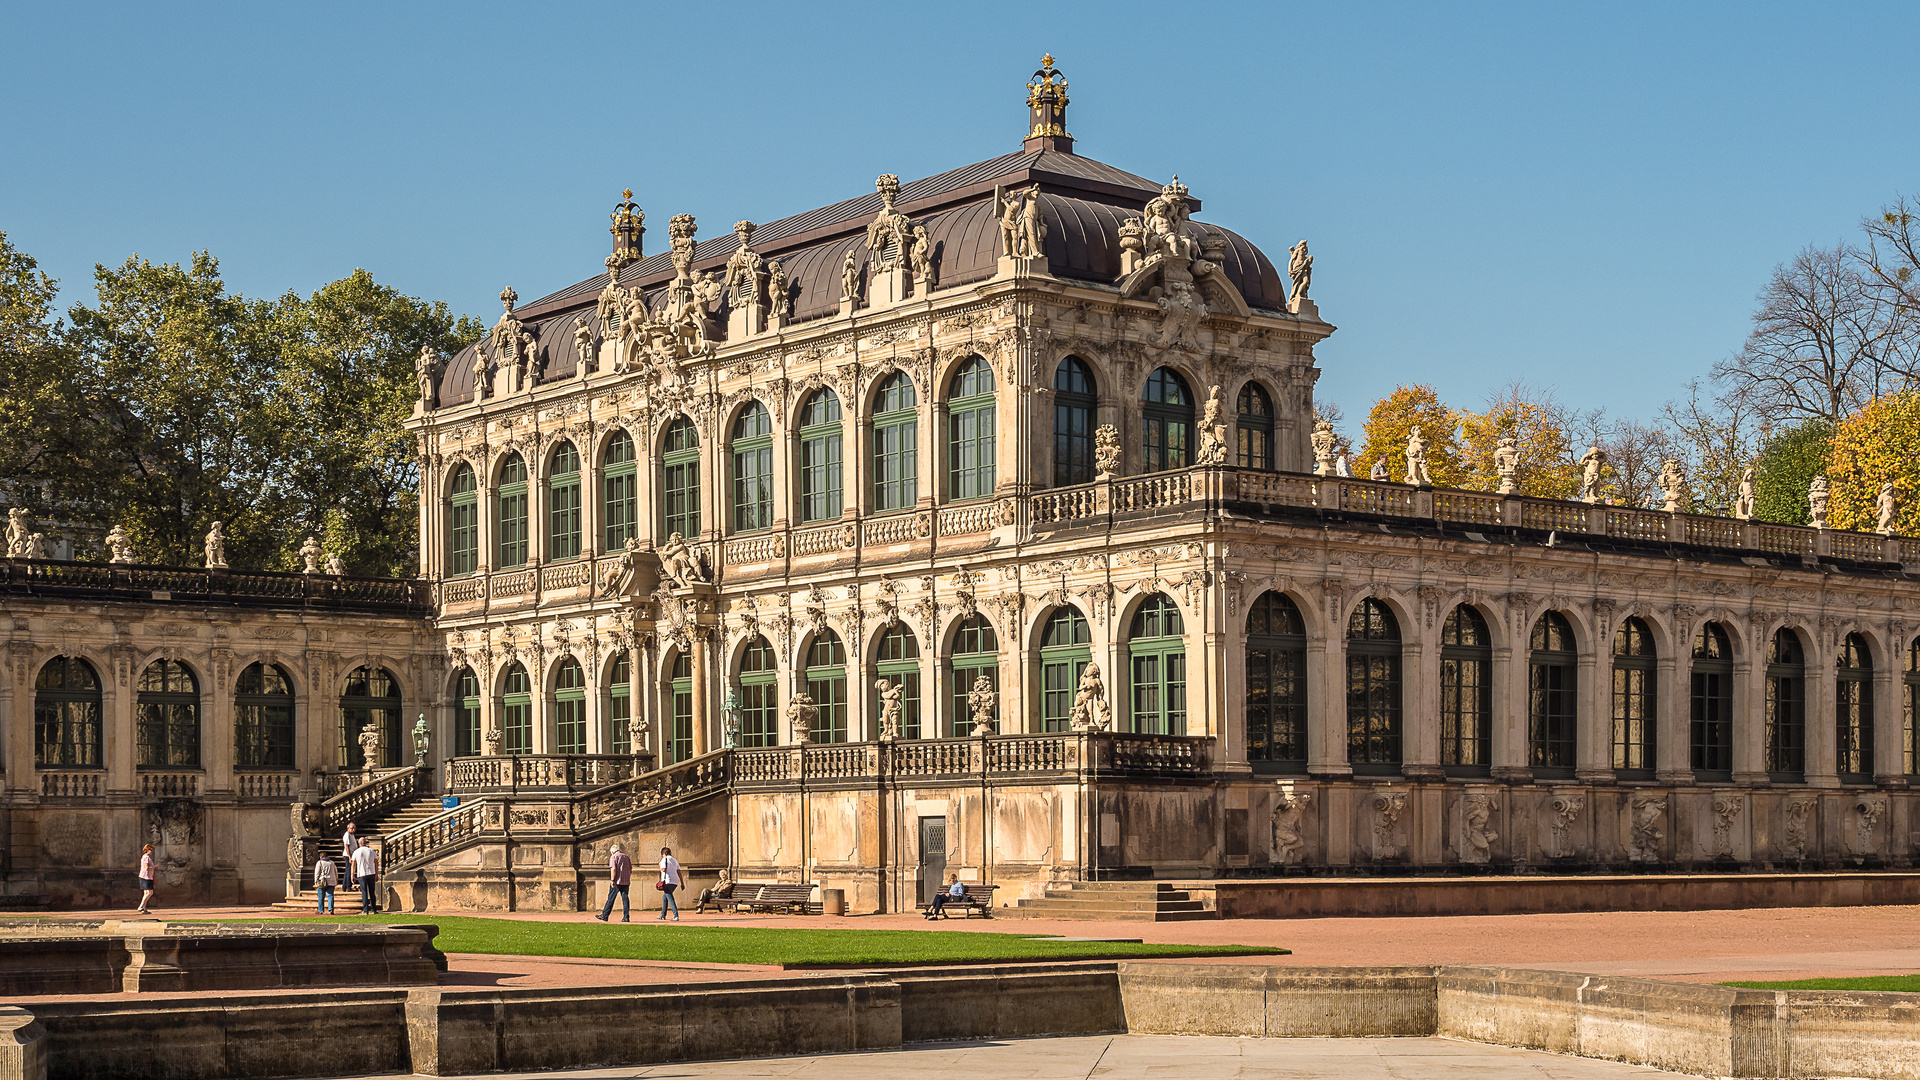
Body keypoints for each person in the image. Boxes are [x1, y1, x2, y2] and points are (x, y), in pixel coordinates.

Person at [596, 844, 632, 922]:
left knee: (611, 898)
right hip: (626, 881)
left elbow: (613, 869)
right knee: (625, 899)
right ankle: (626, 916)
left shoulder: (613, 857)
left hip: (617, 881)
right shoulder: (626, 857)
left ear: (612, 851)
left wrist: (613, 880)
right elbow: (630, 869)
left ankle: (605, 915)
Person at [351, 840, 380, 914]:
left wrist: (352, 875)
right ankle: (373, 909)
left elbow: (353, 865)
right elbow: (376, 862)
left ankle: (365, 910)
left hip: (361, 874)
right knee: (372, 892)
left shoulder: (356, 852)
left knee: (364, 892)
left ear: (359, 844)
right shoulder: (371, 851)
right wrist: (376, 873)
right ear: (365, 843)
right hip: (371, 873)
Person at [657, 846, 683, 921]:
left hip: (668, 881)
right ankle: (663, 915)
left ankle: (676, 915)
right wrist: (682, 882)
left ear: (664, 853)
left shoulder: (664, 859)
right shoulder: (675, 860)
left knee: (670, 898)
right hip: (675, 882)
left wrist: (659, 866)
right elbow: (679, 872)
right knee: (664, 897)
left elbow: (663, 869)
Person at [136, 844, 157, 914]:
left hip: (145, 876)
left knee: (146, 892)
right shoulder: (146, 857)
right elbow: (147, 867)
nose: (151, 851)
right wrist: (155, 866)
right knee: (150, 892)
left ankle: (144, 908)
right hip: (146, 876)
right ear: (146, 850)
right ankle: (141, 906)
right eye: (150, 850)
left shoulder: (145, 857)